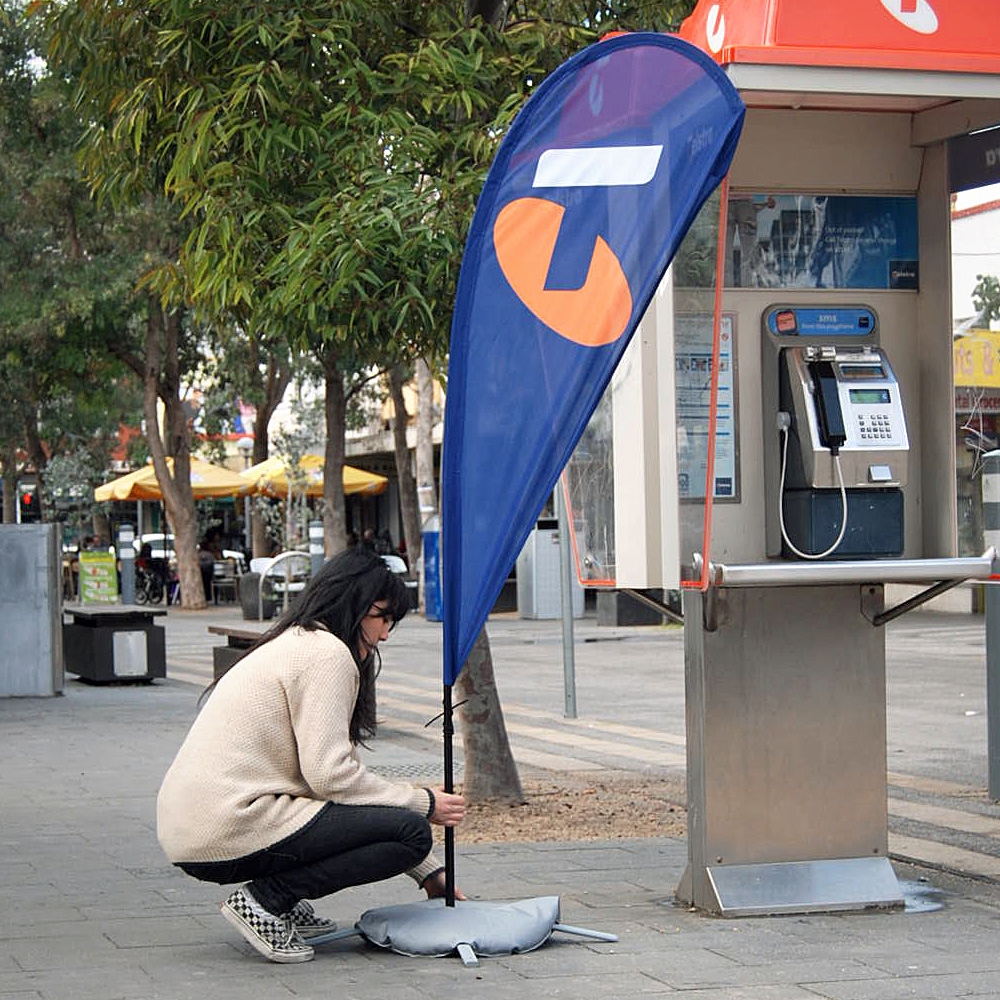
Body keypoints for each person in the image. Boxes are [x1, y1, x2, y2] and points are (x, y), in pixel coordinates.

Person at [156, 547, 466, 964]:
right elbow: (331, 777)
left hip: (198, 825)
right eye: (383, 617)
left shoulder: (296, 642)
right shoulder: (327, 655)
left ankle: (280, 902)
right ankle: (266, 901)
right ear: (353, 603)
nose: (385, 634)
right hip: (229, 823)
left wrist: (428, 872)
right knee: (411, 832)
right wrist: (422, 803)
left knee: (398, 828)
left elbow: (334, 789)